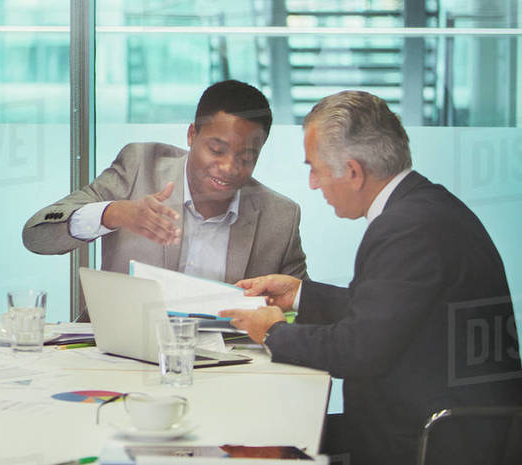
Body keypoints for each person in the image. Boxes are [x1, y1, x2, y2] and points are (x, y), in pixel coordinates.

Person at [222, 91, 522, 465]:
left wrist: (273, 331)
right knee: (273, 433)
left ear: (352, 171)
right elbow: (389, 310)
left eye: (314, 168)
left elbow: (356, 351)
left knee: (257, 443)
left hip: (433, 438)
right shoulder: (426, 207)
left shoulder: (407, 227)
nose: (313, 183)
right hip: (435, 417)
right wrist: (300, 295)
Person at [22, 80, 307, 284]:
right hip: (121, 358)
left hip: (227, 363)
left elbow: (300, 308)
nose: (229, 168)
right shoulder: (140, 166)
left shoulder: (279, 217)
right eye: (217, 150)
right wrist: (115, 213)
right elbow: (37, 235)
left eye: (246, 157)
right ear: (192, 135)